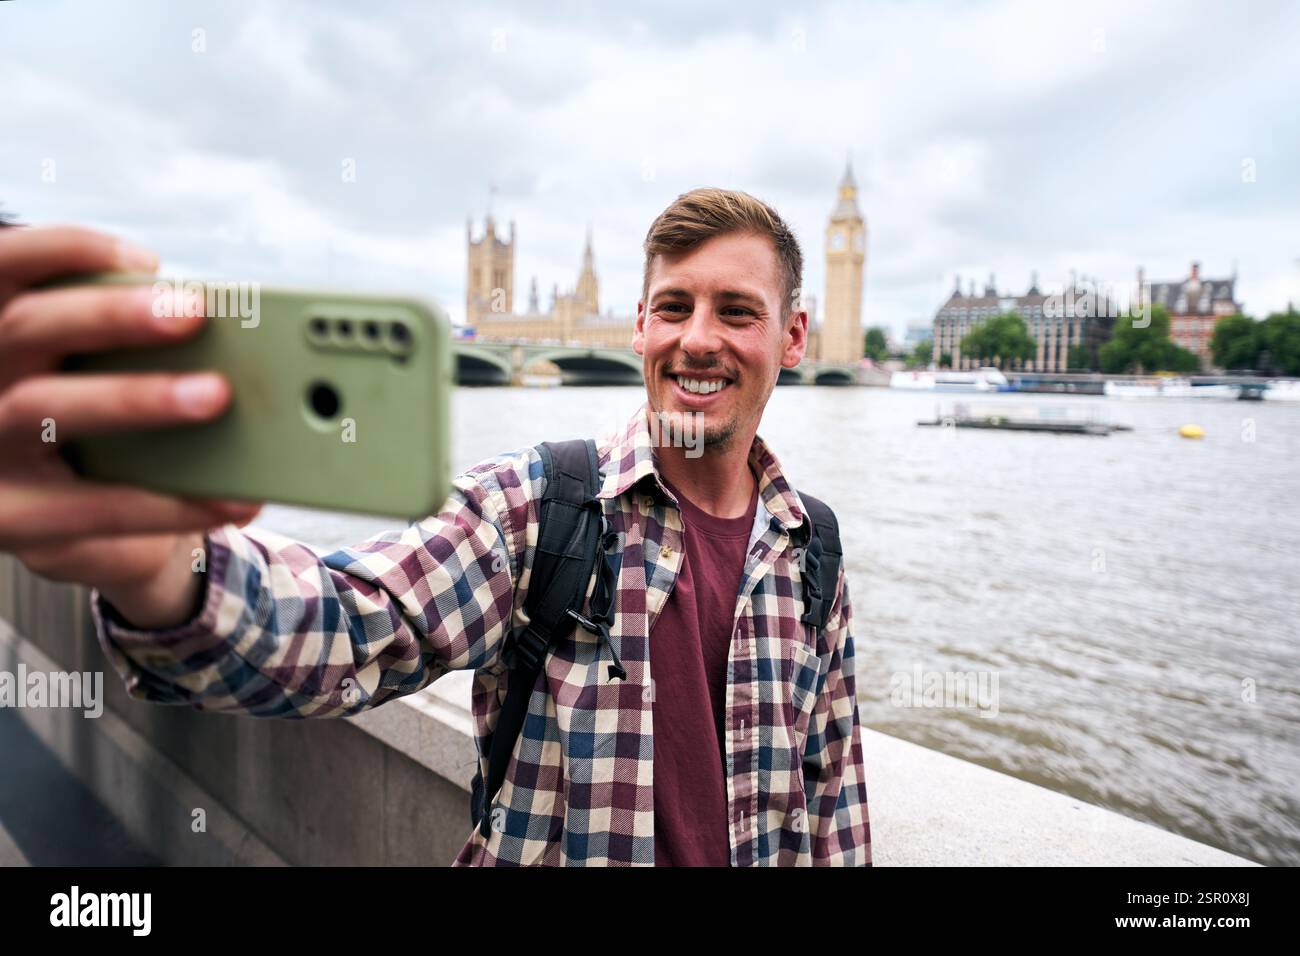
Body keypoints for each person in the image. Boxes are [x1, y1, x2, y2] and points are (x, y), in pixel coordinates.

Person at [0, 188, 871, 866]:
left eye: (738, 311)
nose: (698, 338)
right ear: (637, 326)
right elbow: (350, 624)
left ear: (794, 336)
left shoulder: (811, 552)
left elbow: (834, 810)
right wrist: (165, 572)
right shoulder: (543, 508)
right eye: (674, 307)